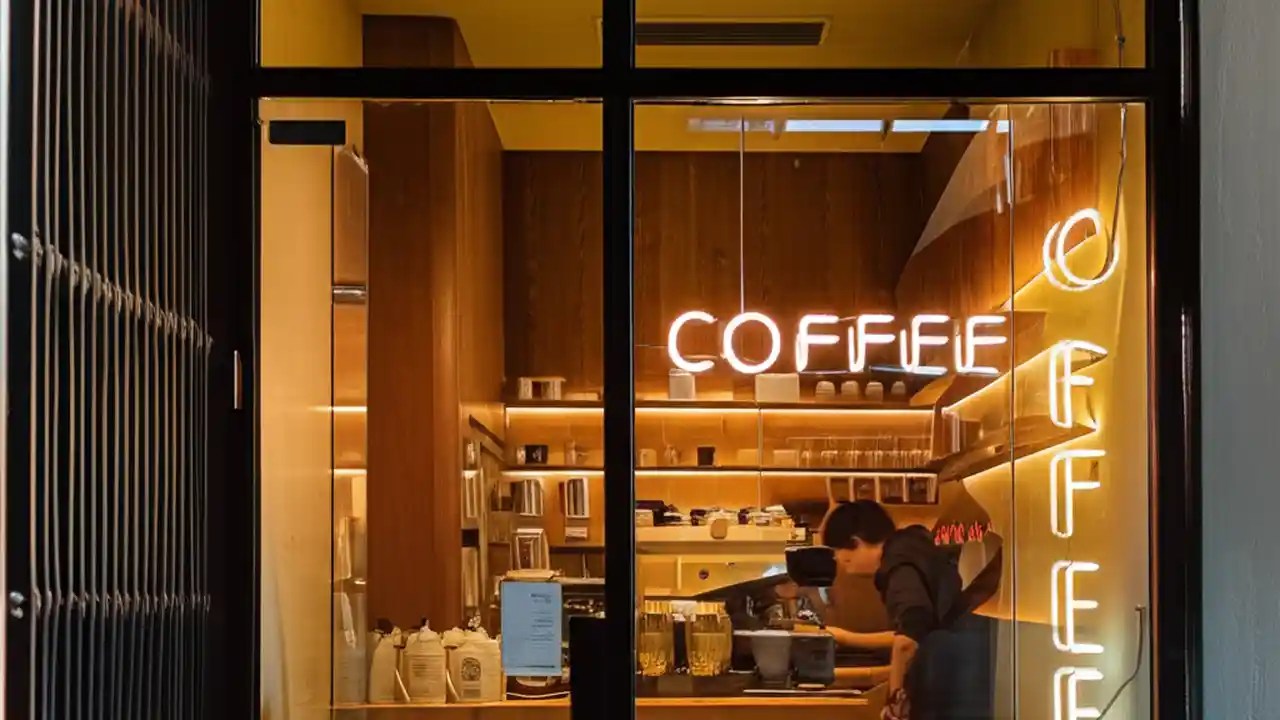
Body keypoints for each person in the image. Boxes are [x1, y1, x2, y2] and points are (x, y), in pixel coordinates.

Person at [821, 500, 971, 720]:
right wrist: (847, 638)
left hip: (955, 676)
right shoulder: (911, 551)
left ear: (857, 542)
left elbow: (908, 637)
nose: (839, 561)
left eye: (840, 553)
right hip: (960, 666)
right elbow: (912, 632)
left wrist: (894, 701)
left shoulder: (898, 564)